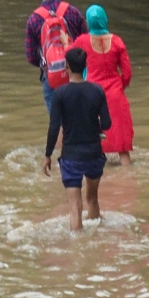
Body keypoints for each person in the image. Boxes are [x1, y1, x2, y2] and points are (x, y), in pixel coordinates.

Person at [42, 47, 110, 232]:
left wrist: (47, 155)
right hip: (94, 154)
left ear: (67, 67)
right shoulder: (97, 90)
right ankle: (97, 236)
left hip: (71, 157)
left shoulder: (60, 94)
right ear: (85, 65)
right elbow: (107, 123)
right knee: (93, 200)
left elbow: (54, 127)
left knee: (75, 207)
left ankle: (79, 248)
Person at [71, 5, 134, 165]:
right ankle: (128, 181)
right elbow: (127, 73)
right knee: (122, 147)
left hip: (91, 95)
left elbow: (71, 59)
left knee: (93, 145)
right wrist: (119, 87)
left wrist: (65, 43)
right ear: (105, 19)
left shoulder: (82, 41)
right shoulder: (117, 42)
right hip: (115, 95)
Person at [24, 0, 87, 114]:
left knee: (58, 125)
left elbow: (31, 56)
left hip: (51, 78)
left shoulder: (33, 19)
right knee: (79, 121)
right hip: (76, 76)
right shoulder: (72, 12)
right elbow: (85, 43)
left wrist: (47, 65)